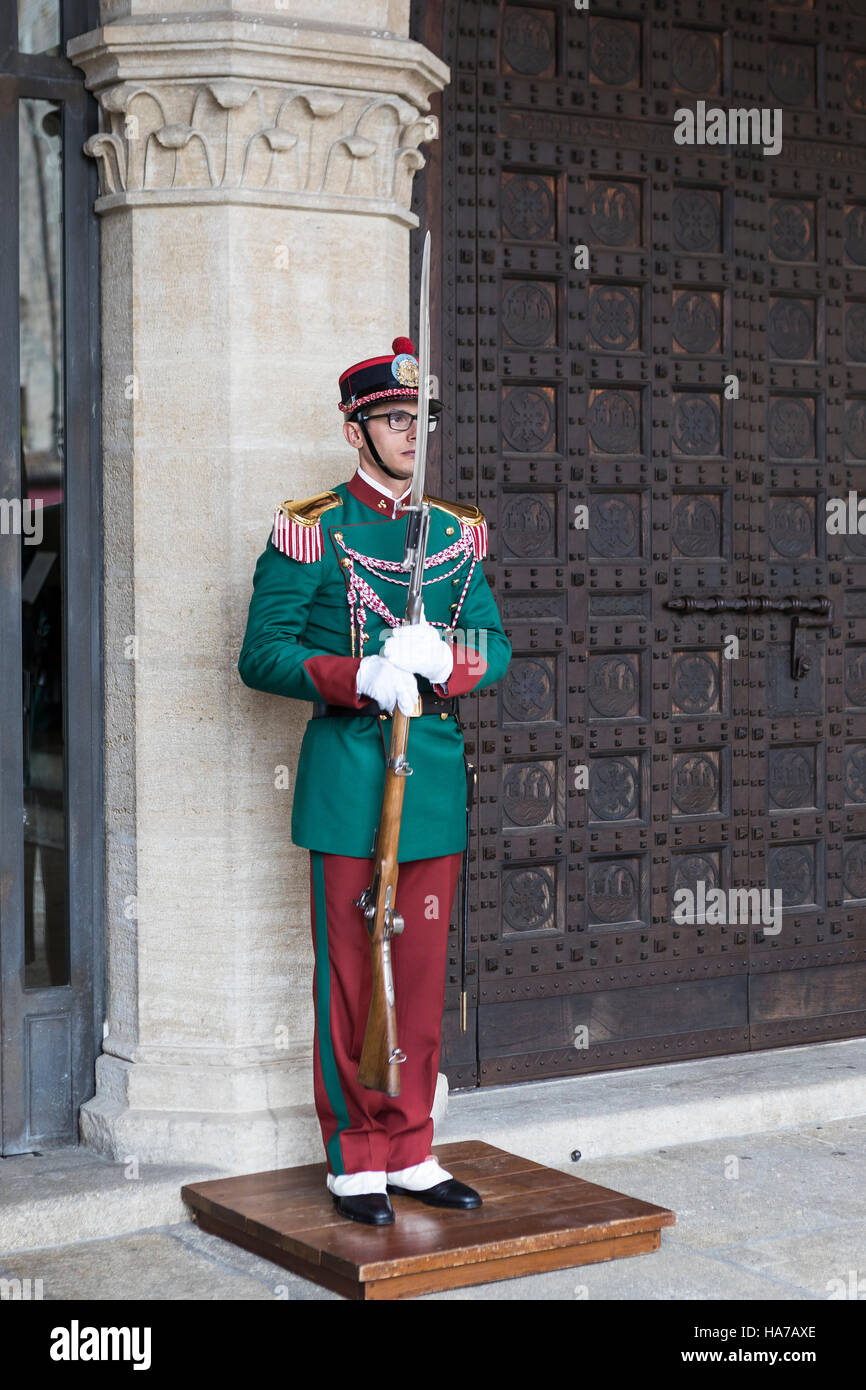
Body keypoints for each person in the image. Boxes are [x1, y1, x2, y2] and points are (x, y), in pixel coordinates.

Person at [238, 336, 511, 1226]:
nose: (408, 434)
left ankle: (412, 1146)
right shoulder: (311, 528)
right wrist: (357, 676)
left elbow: (493, 643)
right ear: (355, 431)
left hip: (428, 781)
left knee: (423, 971)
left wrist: (447, 665)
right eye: (392, 419)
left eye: (415, 419)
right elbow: (262, 653)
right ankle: (355, 1156)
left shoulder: (456, 532)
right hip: (351, 783)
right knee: (353, 972)